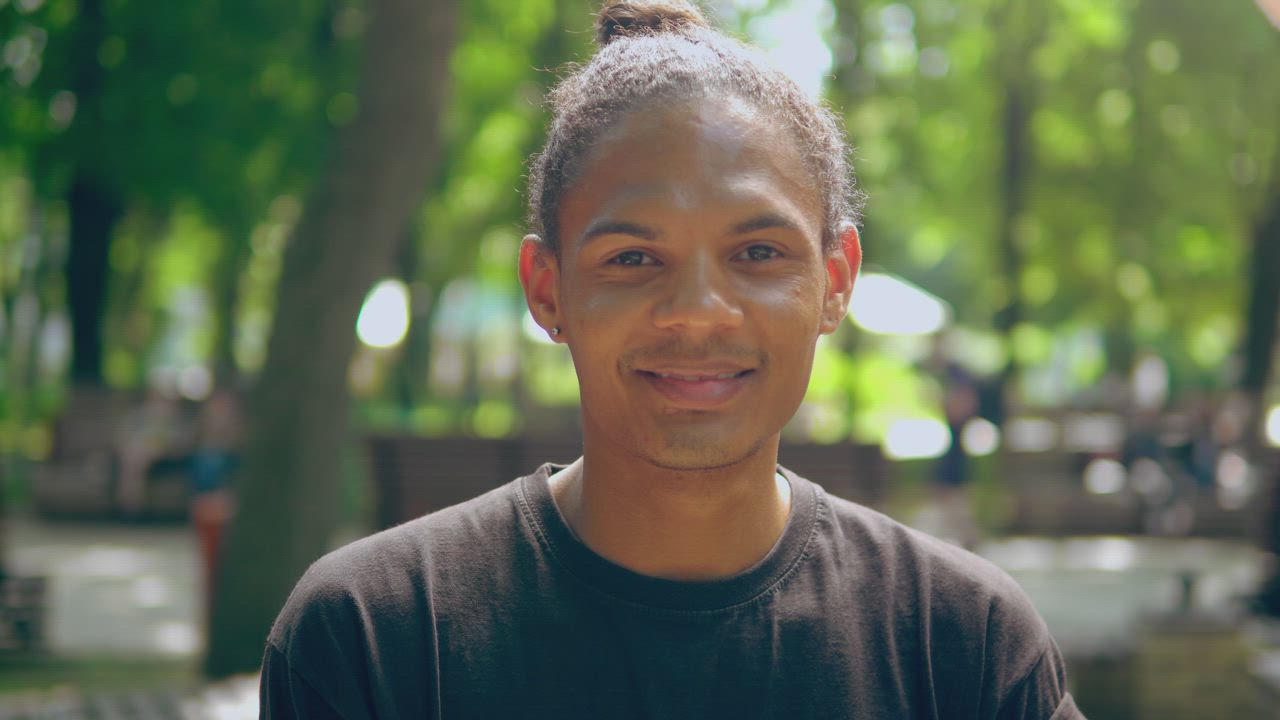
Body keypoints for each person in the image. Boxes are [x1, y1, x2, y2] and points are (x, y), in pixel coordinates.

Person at [261, 2, 1084, 718]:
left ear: (835, 283)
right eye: (631, 259)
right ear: (547, 290)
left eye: (759, 252)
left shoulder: (964, 645)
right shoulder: (373, 636)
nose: (698, 311)